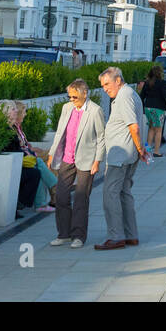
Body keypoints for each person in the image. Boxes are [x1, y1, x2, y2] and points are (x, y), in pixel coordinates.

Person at [94, 68, 151, 250]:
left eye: (107, 84)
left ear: (118, 80)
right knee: (123, 192)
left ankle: (116, 236)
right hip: (127, 153)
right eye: (102, 85)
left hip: (120, 156)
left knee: (110, 194)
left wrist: (141, 148)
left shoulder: (125, 95)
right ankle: (130, 235)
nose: (104, 88)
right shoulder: (128, 93)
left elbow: (133, 126)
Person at [47, 79, 105, 247]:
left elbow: (101, 138)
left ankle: (78, 236)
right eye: (69, 96)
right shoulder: (67, 108)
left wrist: (97, 160)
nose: (71, 100)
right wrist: (52, 153)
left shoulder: (95, 111)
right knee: (61, 196)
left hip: (87, 160)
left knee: (81, 198)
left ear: (84, 94)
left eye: (74, 97)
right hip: (67, 158)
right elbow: (59, 132)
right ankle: (63, 233)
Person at [0, 99, 44, 217]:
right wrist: (29, 154)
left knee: (35, 171)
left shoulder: (11, 128)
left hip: (15, 164)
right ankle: (20, 204)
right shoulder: (5, 130)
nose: (16, 111)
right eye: (13, 109)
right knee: (34, 173)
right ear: (6, 112)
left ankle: (21, 204)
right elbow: (12, 150)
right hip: (8, 166)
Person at [140, 66, 166, 152]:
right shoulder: (162, 83)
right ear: (159, 73)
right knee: (158, 131)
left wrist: (143, 108)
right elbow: (164, 96)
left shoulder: (147, 83)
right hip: (158, 109)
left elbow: (141, 96)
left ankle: (147, 150)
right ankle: (156, 152)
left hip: (148, 108)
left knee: (151, 130)